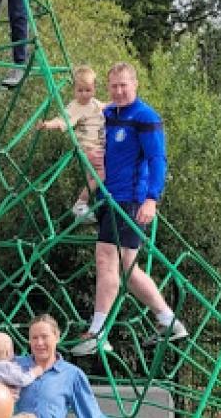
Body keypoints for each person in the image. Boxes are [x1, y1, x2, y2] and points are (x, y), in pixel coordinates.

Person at [71, 62, 189, 356]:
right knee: (127, 269)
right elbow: (93, 136)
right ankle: (168, 320)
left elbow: (158, 159)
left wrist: (151, 199)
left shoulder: (145, 117)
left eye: (124, 85)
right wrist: (93, 155)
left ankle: (98, 332)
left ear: (135, 85)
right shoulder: (108, 114)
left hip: (129, 201)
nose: (119, 91)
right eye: (114, 86)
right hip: (107, 198)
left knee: (105, 259)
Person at [36, 64, 106, 223]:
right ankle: (80, 203)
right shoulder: (75, 107)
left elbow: (106, 106)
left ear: (94, 89)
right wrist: (47, 124)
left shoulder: (94, 103)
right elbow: (62, 120)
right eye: (80, 90)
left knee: (91, 177)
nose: (84, 94)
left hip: (98, 148)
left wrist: (121, 103)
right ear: (74, 90)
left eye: (88, 90)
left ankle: (83, 205)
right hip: (89, 148)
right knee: (102, 174)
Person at [12, 314, 104, 418]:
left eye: (44, 337)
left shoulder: (72, 375)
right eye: (34, 338)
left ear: (57, 337)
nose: (39, 343)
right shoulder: (14, 366)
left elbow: (92, 414)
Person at [0, 331, 43, 401]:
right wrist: (34, 372)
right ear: (7, 353)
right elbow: (22, 380)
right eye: (12, 350)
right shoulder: (7, 368)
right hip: (2, 401)